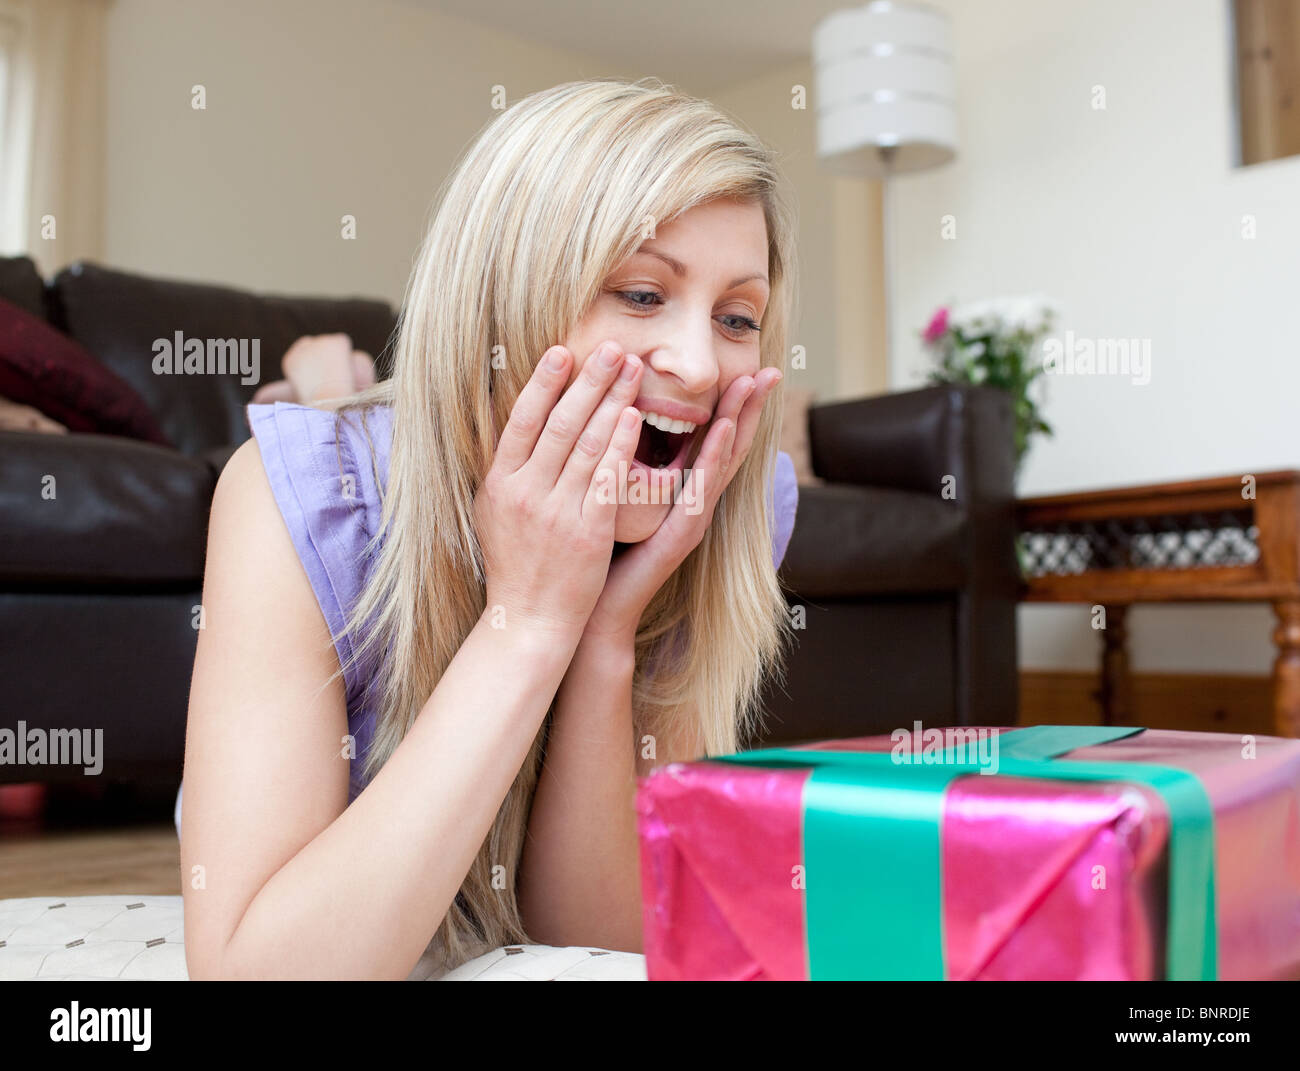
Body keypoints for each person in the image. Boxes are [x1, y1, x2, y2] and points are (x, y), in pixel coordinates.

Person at [178, 77, 799, 980]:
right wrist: (528, 619)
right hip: (386, 462)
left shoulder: (726, 506)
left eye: (737, 316)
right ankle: (319, 379)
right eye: (638, 292)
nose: (700, 365)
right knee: (339, 426)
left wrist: (600, 630)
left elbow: (599, 944)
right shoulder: (290, 494)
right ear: (504, 302)